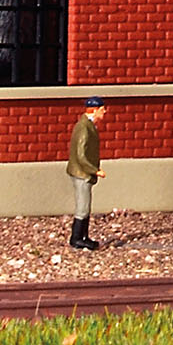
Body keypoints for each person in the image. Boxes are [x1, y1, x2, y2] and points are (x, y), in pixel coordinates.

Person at [66, 95, 107, 251]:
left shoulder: (88, 125)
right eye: (102, 109)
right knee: (82, 207)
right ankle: (76, 238)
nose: (105, 112)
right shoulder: (84, 128)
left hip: (84, 172)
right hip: (82, 173)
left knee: (86, 206)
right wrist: (95, 170)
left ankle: (84, 237)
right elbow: (81, 155)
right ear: (95, 110)